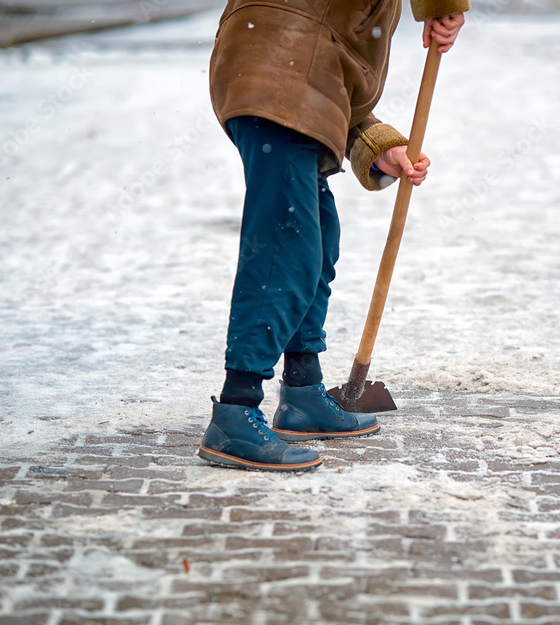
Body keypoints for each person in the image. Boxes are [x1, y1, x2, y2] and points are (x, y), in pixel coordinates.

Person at [197, 0, 467, 472]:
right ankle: (235, 411)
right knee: (286, 250)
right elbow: (306, 53)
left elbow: (326, 68)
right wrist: (443, 5)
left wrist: (378, 145)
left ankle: (302, 393)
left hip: (288, 75)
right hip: (278, 72)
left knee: (316, 241)